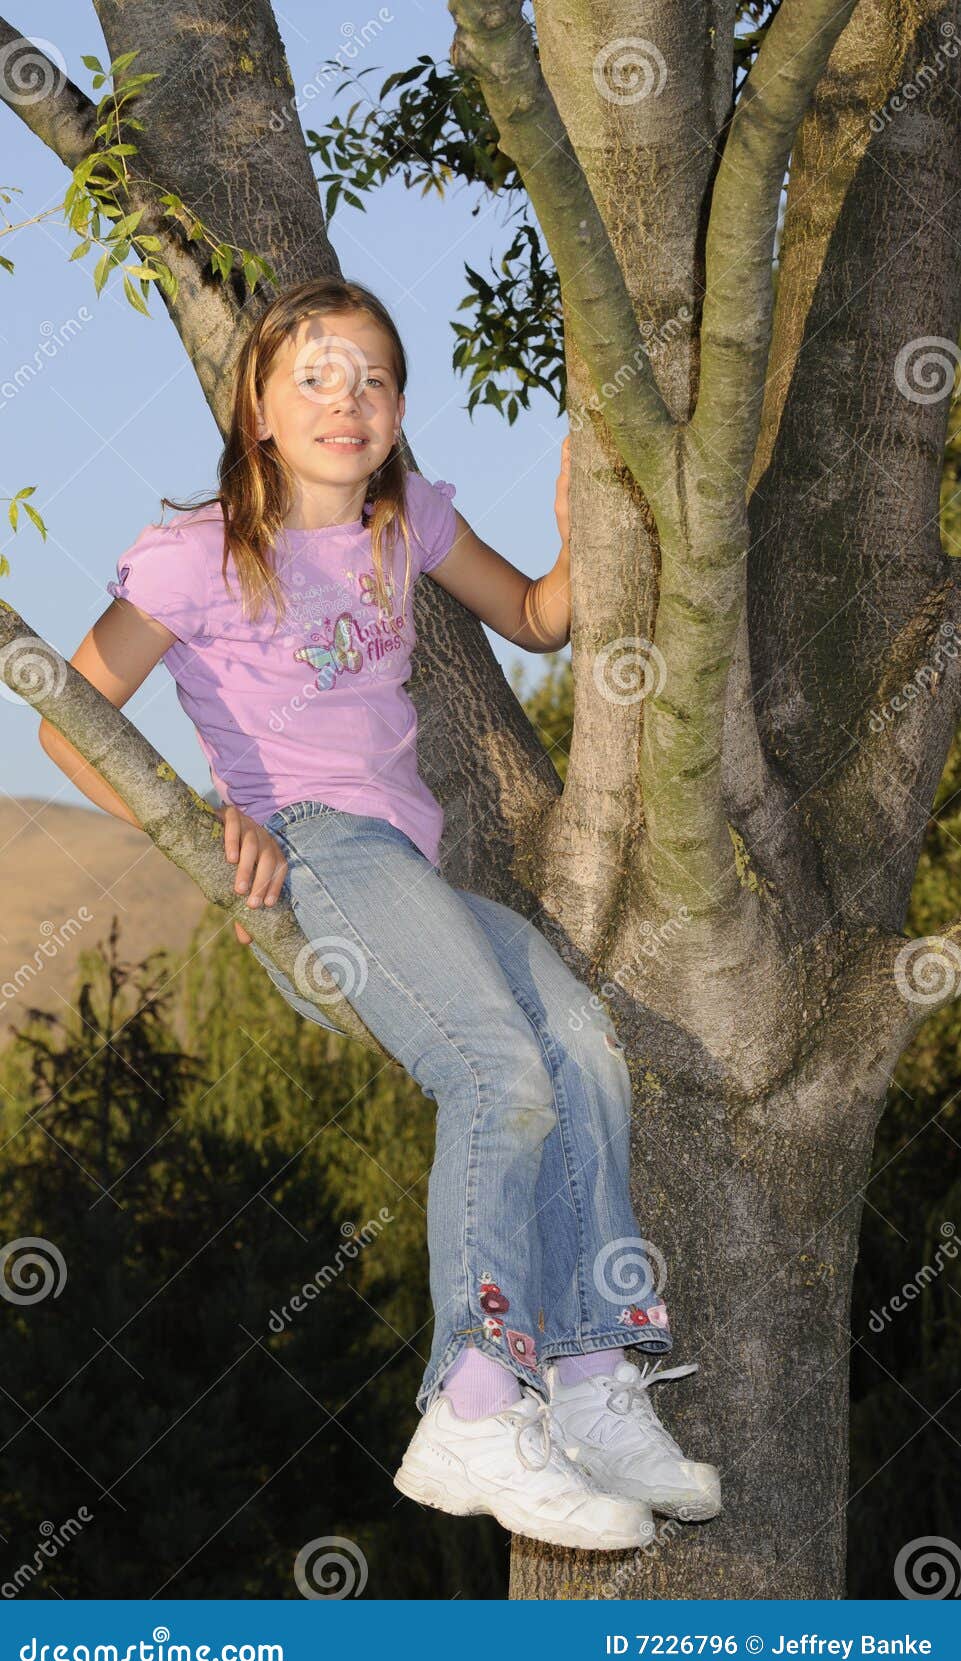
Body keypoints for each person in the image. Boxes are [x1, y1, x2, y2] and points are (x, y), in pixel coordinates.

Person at [39, 275, 720, 1552]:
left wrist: (583, 532)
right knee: (500, 1075)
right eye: (315, 376)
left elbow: (532, 616)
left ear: (399, 411)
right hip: (310, 855)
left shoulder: (407, 522)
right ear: (256, 408)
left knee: (578, 1044)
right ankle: (472, 1397)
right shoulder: (195, 552)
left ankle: (586, 1381)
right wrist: (198, 824)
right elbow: (68, 717)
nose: (347, 402)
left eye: (373, 380)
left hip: (410, 869)